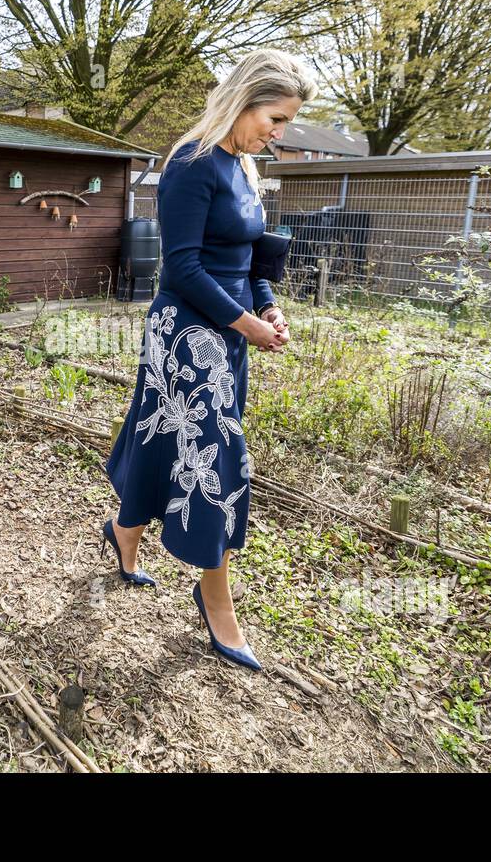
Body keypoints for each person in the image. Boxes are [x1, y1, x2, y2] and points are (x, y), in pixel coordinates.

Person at [104, 48, 313, 672]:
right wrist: (247, 323)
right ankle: (216, 599)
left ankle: (124, 533)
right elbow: (184, 266)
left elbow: (250, 260)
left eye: (286, 123)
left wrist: (268, 307)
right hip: (185, 333)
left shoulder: (245, 167)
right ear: (243, 99)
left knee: (160, 437)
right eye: (274, 119)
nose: (278, 133)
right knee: (212, 458)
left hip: (230, 334)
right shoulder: (192, 164)